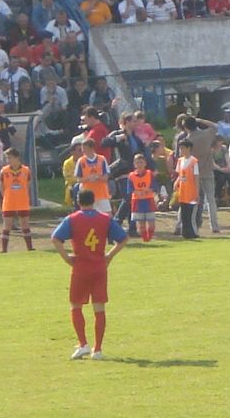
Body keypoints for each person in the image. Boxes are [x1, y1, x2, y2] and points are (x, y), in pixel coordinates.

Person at [51, 189, 128, 360]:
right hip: (99, 268)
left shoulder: (72, 219)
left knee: (75, 305)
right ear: (94, 201)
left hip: (80, 268)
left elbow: (55, 239)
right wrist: (109, 255)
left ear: (78, 201)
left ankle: (83, 344)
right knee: (99, 307)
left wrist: (66, 258)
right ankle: (98, 349)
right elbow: (123, 238)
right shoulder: (105, 219)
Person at [0, 148, 34, 253]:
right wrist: (7, 196)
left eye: (10, 158)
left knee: (25, 224)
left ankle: (30, 247)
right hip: (9, 202)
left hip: (22, 201)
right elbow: (1, 187)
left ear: (17, 157)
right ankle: (4, 250)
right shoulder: (4, 171)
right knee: (7, 225)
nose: (8, 160)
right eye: (7, 158)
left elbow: (28, 185)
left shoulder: (26, 170)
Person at [75, 138, 112, 213]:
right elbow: (78, 179)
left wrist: (98, 177)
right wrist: (88, 179)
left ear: (91, 148)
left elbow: (106, 177)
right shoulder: (81, 161)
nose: (83, 151)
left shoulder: (102, 159)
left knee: (107, 215)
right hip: (87, 195)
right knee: (88, 216)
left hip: (101, 193)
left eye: (85, 148)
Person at [174, 139, 201, 239]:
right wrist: (176, 183)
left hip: (192, 191)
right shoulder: (180, 161)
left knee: (191, 215)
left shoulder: (194, 161)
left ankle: (193, 232)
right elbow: (179, 175)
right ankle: (184, 232)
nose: (181, 150)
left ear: (188, 148)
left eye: (182, 148)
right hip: (183, 191)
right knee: (184, 214)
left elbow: (196, 177)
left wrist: (197, 192)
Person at [128, 154, 158, 242]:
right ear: (134, 164)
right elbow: (130, 189)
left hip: (148, 200)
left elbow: (154, 186)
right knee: (141, 223)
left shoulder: (149, 174)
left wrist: (148, 190)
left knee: (151, 222)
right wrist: (138, 192)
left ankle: (150, 237)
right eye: (137, 162)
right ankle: (145, 239)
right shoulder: (131, 176)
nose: (139, 164)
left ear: (145, 163)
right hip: (137, 201)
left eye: (141, 162)